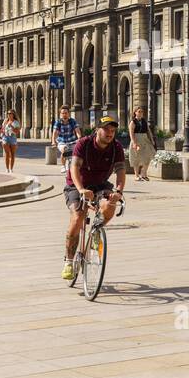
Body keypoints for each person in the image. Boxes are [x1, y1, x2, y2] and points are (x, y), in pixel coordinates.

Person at [62, 116, 126, 281]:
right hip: (77, 184)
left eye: (113, 131)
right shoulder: (84, 144)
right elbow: (75, 167)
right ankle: (69, 261)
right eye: (106, 130)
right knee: (78, 216)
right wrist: (81, 189)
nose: (110, 134)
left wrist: (118, 191)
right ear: (97, 130)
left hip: (100, 183)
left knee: (111, 203)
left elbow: (120, 172)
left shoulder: (116, 147)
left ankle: (97, 229)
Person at [128, 106, 155, 181]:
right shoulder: (133, 122)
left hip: (145, 139)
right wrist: (134, 143)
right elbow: (131, 133)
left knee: (149, 155)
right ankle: (136, 175)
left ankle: (144, 173)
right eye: (139, 111)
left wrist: (152, 140)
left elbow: (148, 131)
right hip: (136, 139)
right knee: (136, 158)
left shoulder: (144, 121)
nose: (141, 113)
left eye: (142, 112)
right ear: (135, 112)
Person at [51, 106, 80, 170]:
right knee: (64, 151)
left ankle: (73, 166)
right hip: (62, 142)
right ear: (60, 114)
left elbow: (77, 130)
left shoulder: (73, 121)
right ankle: (63, 166)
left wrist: (79, 138)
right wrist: (53, 141)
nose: (64, 115)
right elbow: (55, 133)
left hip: (72, 141)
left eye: (66, 113)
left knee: (76, 153)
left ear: (68, 113)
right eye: (62, 113)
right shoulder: (58, 122)